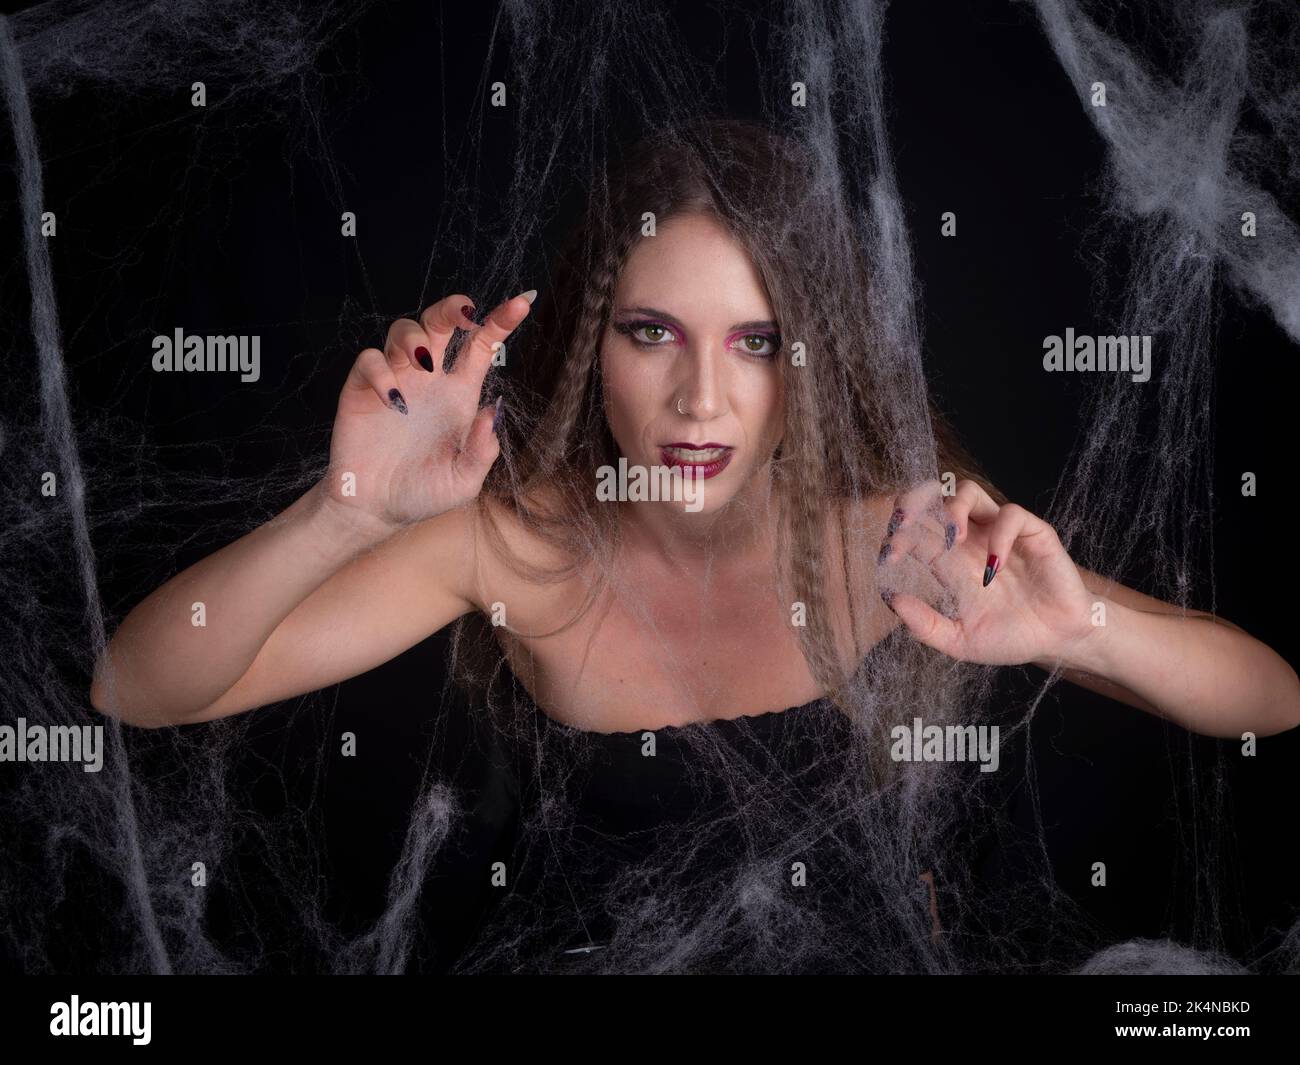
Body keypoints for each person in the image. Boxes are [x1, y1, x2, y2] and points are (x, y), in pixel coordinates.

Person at [89, 117, 1300, 972]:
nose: (702, 402)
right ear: (586, 345)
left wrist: (1077, 628)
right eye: (654, 332)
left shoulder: (900, 534)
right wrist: (342, 516)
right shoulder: (513, 548)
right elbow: (138, 687)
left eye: (756, 342)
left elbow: (1272, 696)